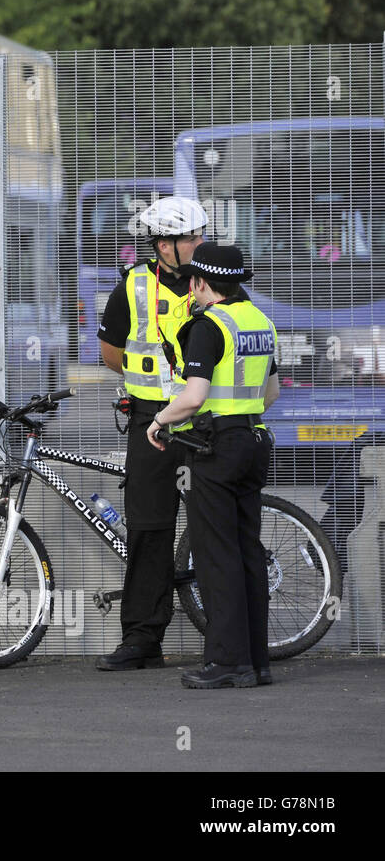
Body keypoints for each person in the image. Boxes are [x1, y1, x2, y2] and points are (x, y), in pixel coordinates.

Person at [147, 242, 280, 688]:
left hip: (217, 449)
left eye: (193, 283)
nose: (192, 291)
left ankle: (225, 662)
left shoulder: (210, 325)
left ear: (203, 282)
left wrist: (160, 420)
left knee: (215, 554)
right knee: (247, 553)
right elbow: (270, 394)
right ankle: (254, 662)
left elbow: (194, 396)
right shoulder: (261, 322)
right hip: (255, 441)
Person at [95, 196, 206, 671]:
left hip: (205, 420)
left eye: (189, 236)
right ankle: (142, 638)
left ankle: (230, 634)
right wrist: (158, 389)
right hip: (151, 421)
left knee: (215, 527)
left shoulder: (218, 284)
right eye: (179, 238)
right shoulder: (134, 285)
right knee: (149, 529)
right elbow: (111, 351)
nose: (194, 243)